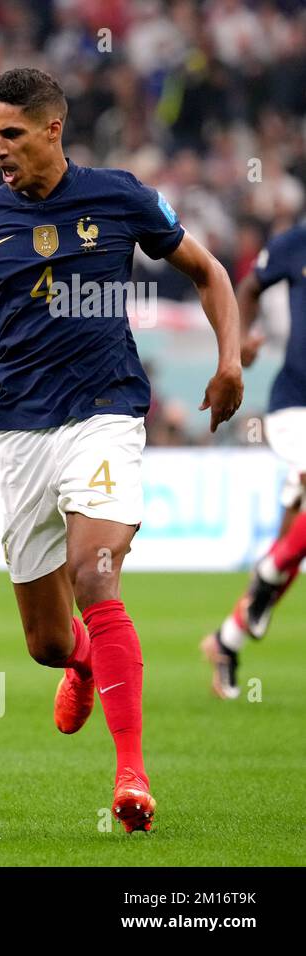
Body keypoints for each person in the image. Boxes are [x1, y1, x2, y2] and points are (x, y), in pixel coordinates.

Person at [0, 68, 243, 833]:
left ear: (53, 129)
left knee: (96, 574)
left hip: (107, 414)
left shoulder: (120, 196)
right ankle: (85, 661)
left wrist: (228, 363)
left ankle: (131, 775)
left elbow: (210, 273)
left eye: (12, 135)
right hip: (22, 431)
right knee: (47, 642)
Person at [202, 221, 306, 697]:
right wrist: (240, 342)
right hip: (294, 406)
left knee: (293, 543)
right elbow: (248, 285)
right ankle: (264, 576)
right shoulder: (295, 241)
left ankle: (228, 638)